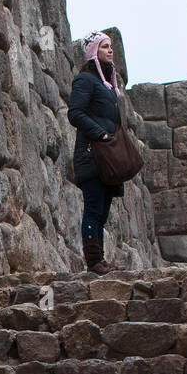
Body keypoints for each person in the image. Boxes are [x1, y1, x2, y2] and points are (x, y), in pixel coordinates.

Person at [68, 31, 124, 275]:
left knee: (102, 211)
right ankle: (93, 261)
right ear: (93, 52)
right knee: (93, 208)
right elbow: (75, 113)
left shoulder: (108, 86)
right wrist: (100, 134)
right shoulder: (85, 80)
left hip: (108, 157)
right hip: (91, 154)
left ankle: (99, 259)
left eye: (111, 46)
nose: (110, 51)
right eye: (105, 47)